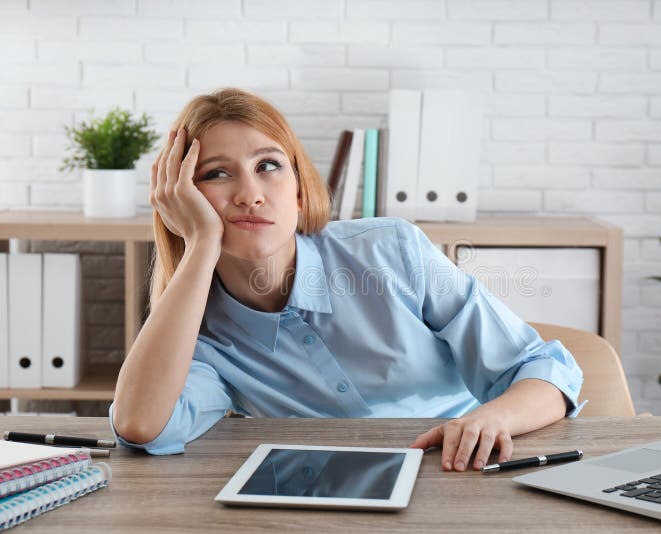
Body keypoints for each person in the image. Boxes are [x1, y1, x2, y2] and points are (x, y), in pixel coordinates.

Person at [110, 87, 584, 472]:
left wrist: (490, 418)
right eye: (216, 174)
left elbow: (546, 369)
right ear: (181, 199)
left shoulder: (391, 251)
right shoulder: (200, 331)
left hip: (464, 474)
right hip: (326, 499)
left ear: (298, 190)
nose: (250, 194)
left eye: (268, 165)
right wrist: (198, 246)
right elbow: (141, 424)